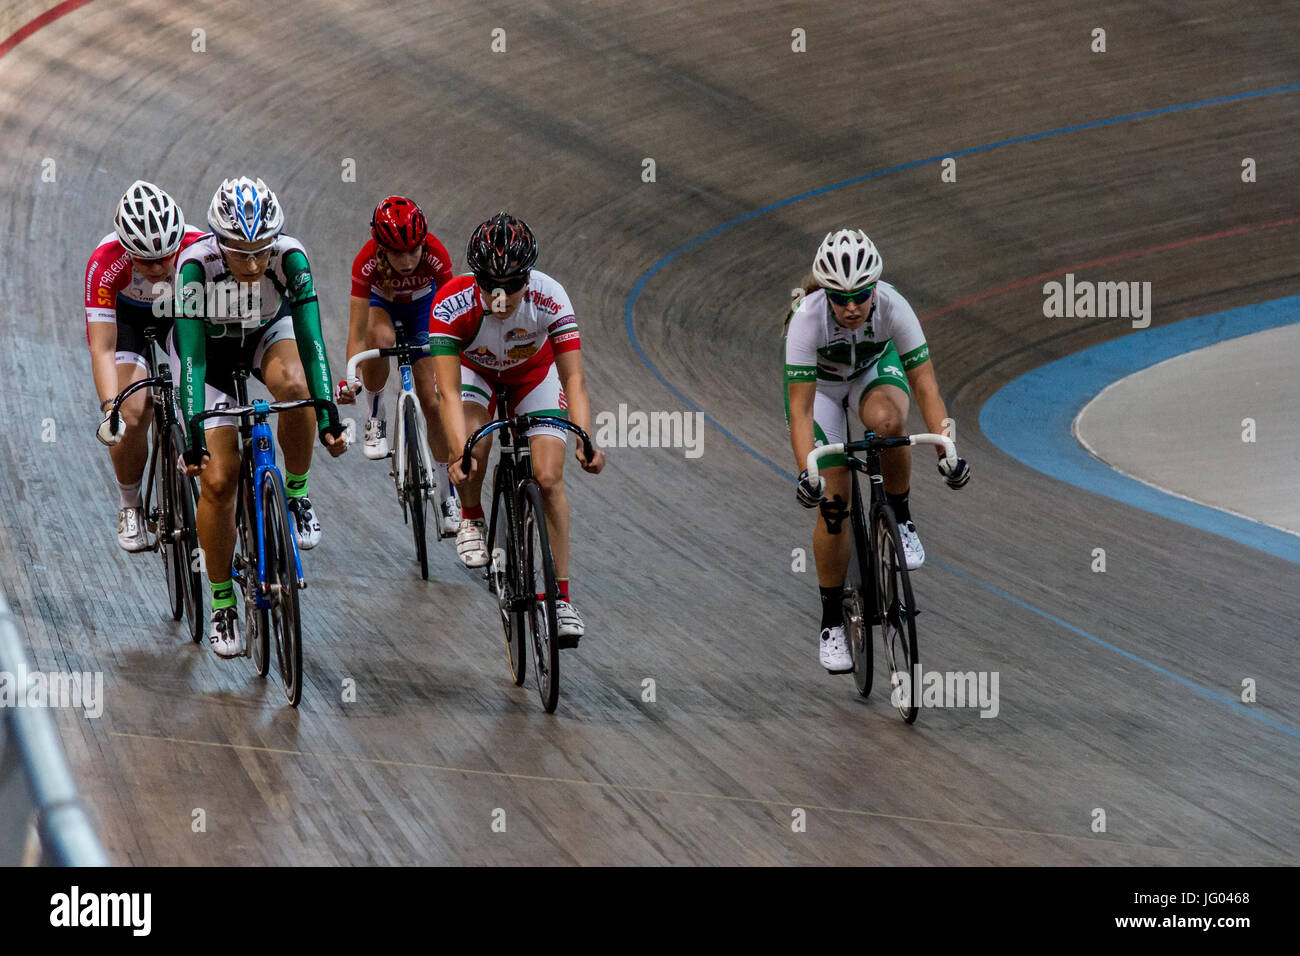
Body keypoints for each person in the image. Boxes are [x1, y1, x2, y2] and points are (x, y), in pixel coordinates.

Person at [174, 176, 346, 657]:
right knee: (220, 479)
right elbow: (191, 363)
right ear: (217, 241)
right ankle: (223, 598)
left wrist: (328, 411)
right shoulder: (193, 268)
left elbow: (313, 347)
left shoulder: (290, 257)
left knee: (295, 387)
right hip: (209, 355)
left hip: (266, 335)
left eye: (261, 252)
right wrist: (193, 434)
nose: (252, 264)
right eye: (240, 252)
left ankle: (296, 493)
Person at [784, 229, 970, 673]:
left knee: (890, 424)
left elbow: (926, 387)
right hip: (823, 392)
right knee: (834, 500)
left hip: (871, 374)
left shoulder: (894, 306)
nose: (851, 307)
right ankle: (831, 622)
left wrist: (948, 449)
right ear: (825, 293)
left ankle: (901, 518)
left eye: (860, 296)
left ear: (875, 289)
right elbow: (800, 408)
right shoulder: (806, 320)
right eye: (839, 297)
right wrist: (805, 471)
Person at [430, 212, 605, 643]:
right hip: (476, 374)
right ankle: (471, 516)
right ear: (475, 277)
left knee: (548, 478)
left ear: (529, 278)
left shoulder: (550, 296)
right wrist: (460, 453)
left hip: (533, 375)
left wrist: (584, 435)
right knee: (476, 447)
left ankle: (561, 600)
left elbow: (574, 378)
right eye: (490, 285)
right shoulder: (451, 305)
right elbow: (449, 395)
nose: (502, 297)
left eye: (512, 286)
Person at [86, 181, 204, 551]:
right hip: (128, 320)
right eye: (144, 260)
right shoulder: (105, 262)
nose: (157, 267)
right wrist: (111, 409)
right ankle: (130, 504)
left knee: (194, 389)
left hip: (179, 311)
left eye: (165, 257)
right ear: (126, 251)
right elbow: (102, 349)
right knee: (133, 413)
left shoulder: (198, 248)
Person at [336, 195, 459, 533]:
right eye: (397, 253)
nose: (406, 261)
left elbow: (454, 317)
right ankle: (375, 415)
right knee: (380, 340)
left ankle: (449, 494)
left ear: (423, 243)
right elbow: (357, 331)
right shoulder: (365, 262)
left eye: (413, 251)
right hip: (383, 309)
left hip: (424, 309)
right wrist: (352, 377)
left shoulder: (436, 254)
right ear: (380, 249)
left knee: (433, 401)